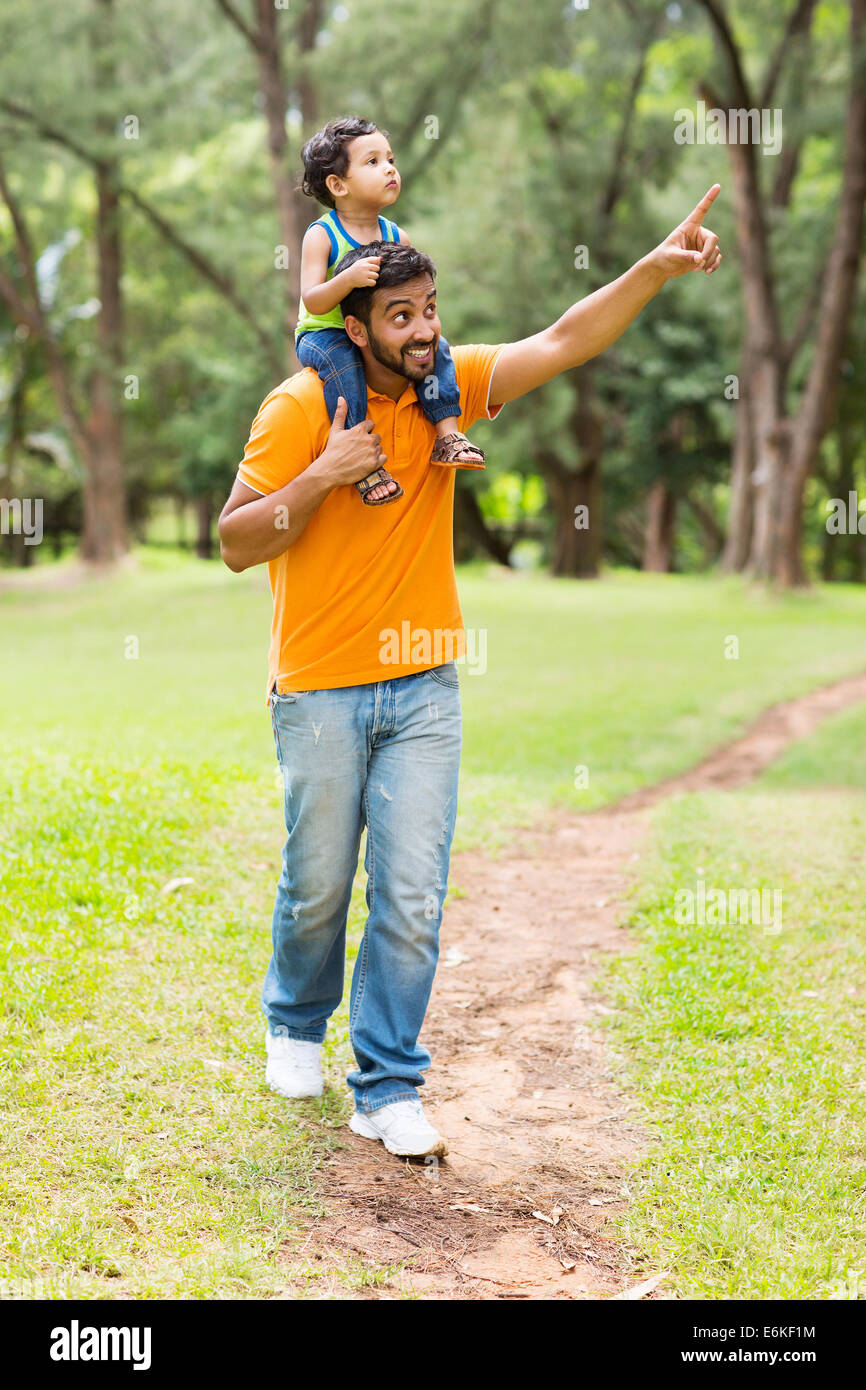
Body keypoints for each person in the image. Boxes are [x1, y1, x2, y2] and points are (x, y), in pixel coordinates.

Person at [218, 189, 722, 1160]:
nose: (423, 332)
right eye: (400, 317)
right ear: (352, 323)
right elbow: (237, 542)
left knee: (410, 891)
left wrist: (655, 266)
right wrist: (322, 472)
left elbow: (565, 339)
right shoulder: (298, 406)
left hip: (423, 687)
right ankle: (293, 1020)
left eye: (431, 310)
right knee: (318, 883)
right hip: (318, 682)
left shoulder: (446, 386)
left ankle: (387, 1083)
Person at [296, 115, 485, 506]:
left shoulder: (396, 234)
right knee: (346, 368)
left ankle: (447, 433)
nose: (390, 169)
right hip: (325, 332)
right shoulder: (322, 234)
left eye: (391, 159)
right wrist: (347, 280)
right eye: (373, 162)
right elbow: (312, 299)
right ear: (338, 185)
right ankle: (362, 462)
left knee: (438, 347)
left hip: (377, 333)